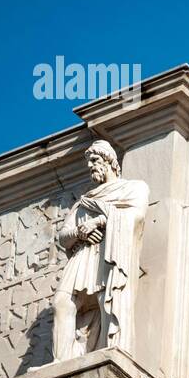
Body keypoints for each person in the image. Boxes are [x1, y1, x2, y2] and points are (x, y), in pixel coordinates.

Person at [52, 140, 149, 361]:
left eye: (95, 161)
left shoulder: (133, 188)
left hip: (112, 252)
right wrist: (80, 232)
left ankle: (110, 350)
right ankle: (61, 360)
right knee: (61, 302)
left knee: (107, 300)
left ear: (109, 161)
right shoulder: (83, 201)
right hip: (83, 255)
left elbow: (137, 216)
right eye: (89, 163)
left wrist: (99, 221)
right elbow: (63, 238)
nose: (91, 166)